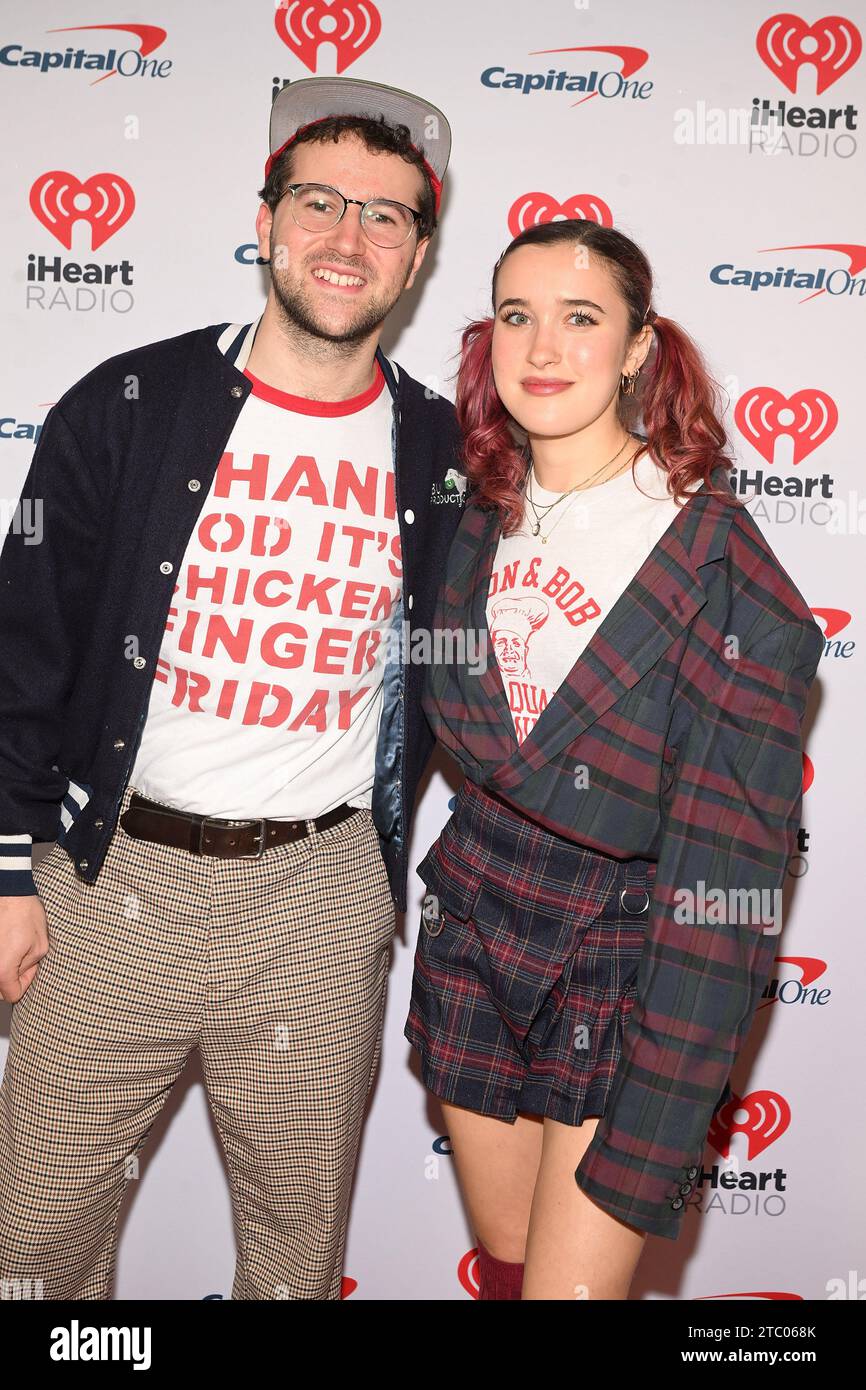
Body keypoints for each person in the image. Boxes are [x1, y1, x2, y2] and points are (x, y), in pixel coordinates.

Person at [0, 76, 464, 1300]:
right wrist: (4, 871)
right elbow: (23, 651)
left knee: (294, 1258)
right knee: (31, 1249)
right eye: (318, 202)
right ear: (265, 220)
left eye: (385, 216)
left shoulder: (449, 456)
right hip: (109, 880)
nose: (346, 237)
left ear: (417, 257)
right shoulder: (125, 405)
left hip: (317, 895)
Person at [404, 219, 824, 1300]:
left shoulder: (720, 567)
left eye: (579, 318)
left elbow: (727, 883)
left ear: (639, 345)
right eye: (515, 314)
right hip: (477, 913)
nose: (542, 347)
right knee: (505, 1264)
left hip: (624, 946)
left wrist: (665, 1109)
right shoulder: (471, 510)